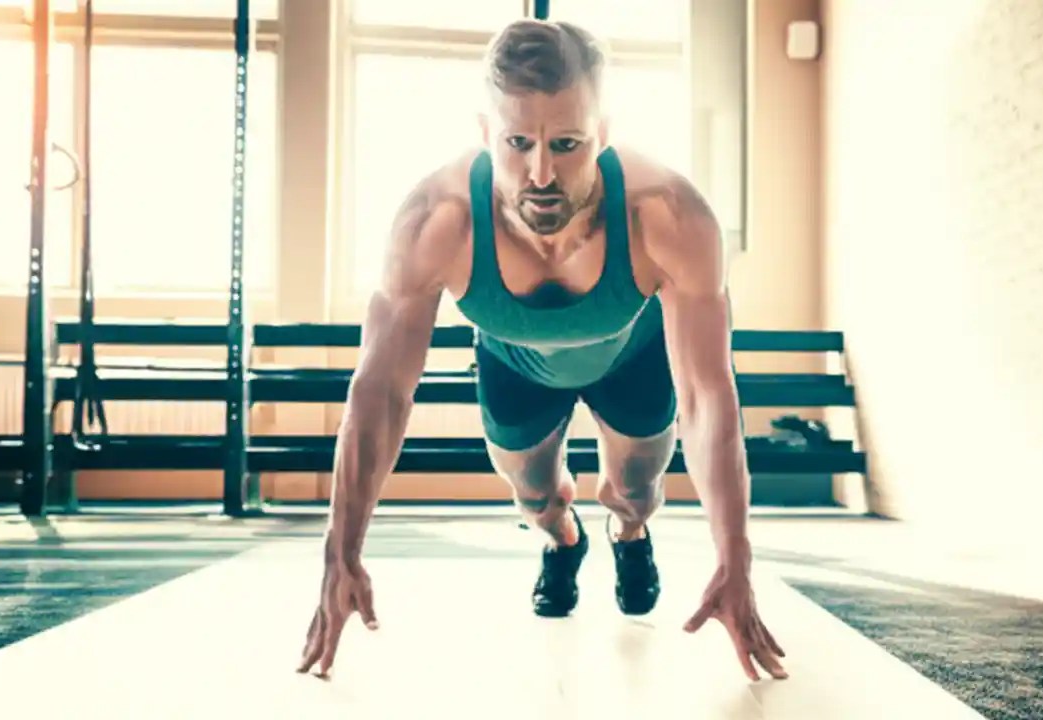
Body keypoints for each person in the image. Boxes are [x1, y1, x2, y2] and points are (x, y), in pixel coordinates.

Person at [297, 18, 787, 683]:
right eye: (517, 143)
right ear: (485, 133)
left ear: (603, 134)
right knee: (533, 498)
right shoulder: (436, 221)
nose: (541, 173)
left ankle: (629, 532)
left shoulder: (668, 215)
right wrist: (342, 548)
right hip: (514, 363)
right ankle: (563, 538)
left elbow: (706, 394)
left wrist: (734, 555)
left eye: (567, 143)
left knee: (638, 489)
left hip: (630, 357)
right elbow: (381, 392)